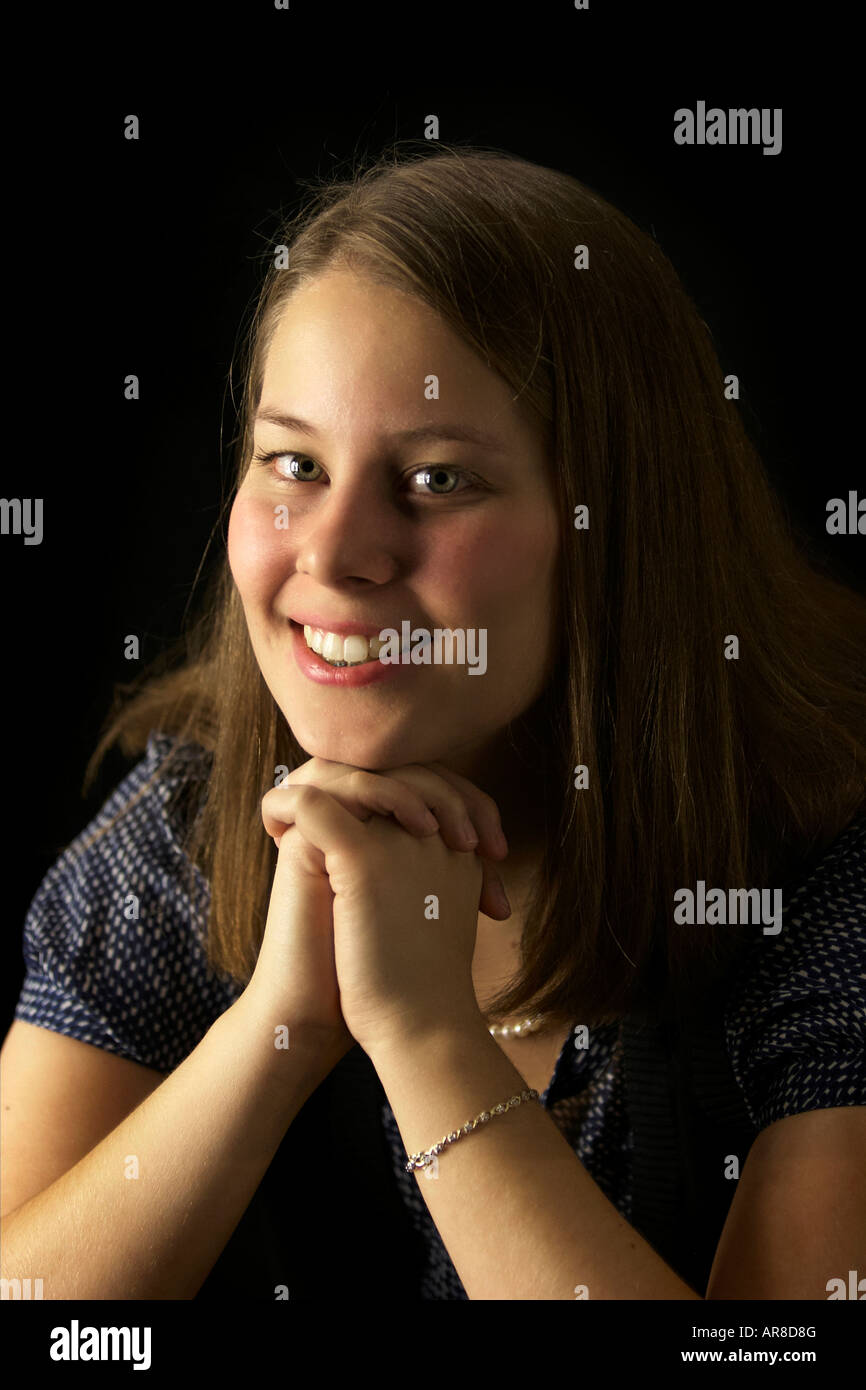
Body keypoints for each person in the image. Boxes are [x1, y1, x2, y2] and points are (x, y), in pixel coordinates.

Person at [2, 145, 864, 1301]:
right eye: (293, 462)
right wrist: (280, 1024)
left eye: (439, 479)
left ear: (616, 527)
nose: (334, 552)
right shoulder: (187, 820)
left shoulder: (825, 877)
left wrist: (421, 1036)